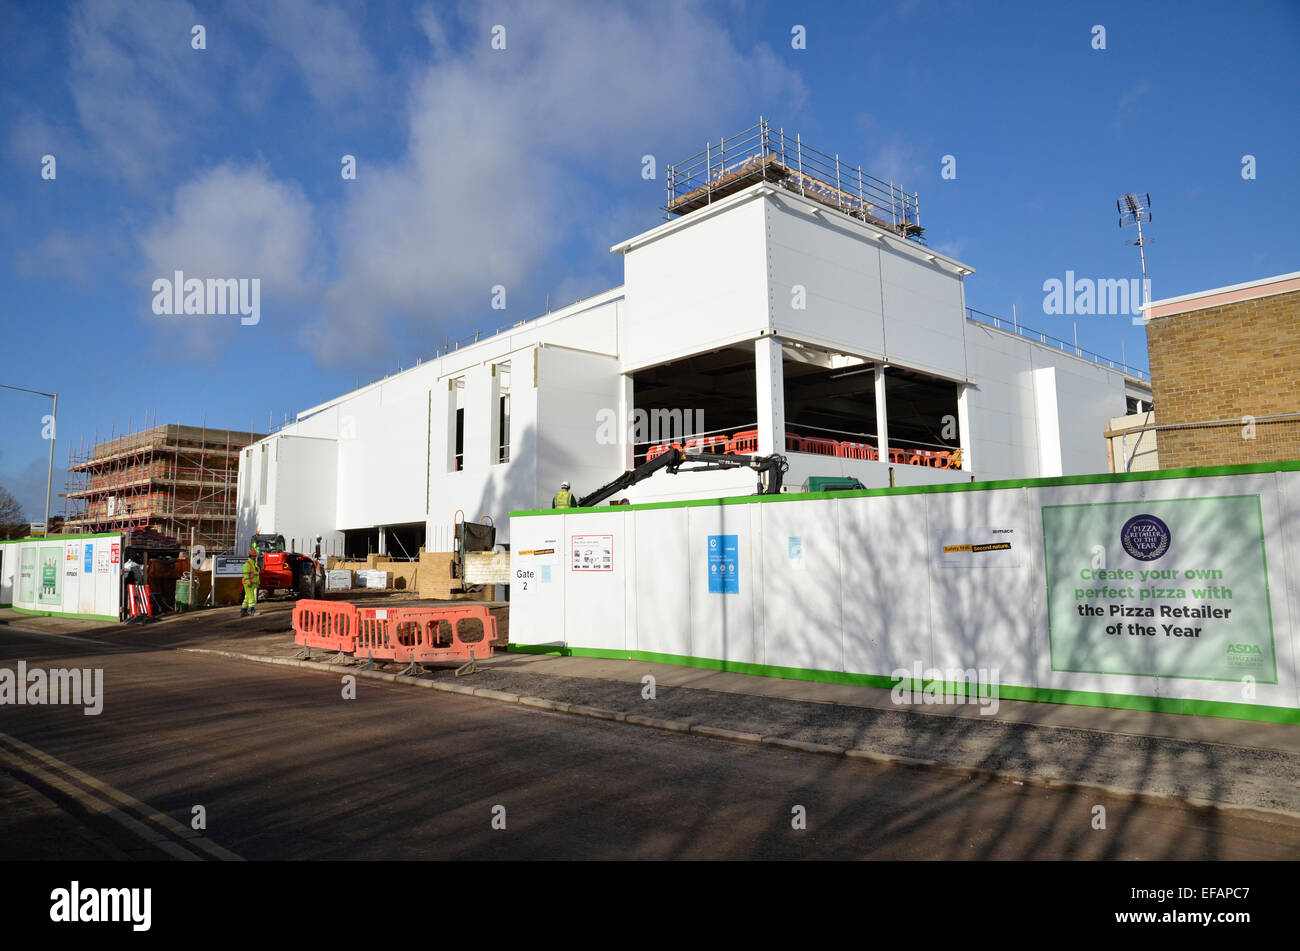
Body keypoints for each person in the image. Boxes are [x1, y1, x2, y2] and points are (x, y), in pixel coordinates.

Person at [240, 547, 260, 617]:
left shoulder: (254, 564)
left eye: (255, 556)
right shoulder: (247, 564)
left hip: (252, 584)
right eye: (254, 556)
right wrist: (248, 583)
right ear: (251, 556)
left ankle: (243, 610)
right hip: (248, 584)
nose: (255, 557)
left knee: (247, 598)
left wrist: (258, 583)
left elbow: (256, 575)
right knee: (251, 598)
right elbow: (246, 575)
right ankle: (251, 610)